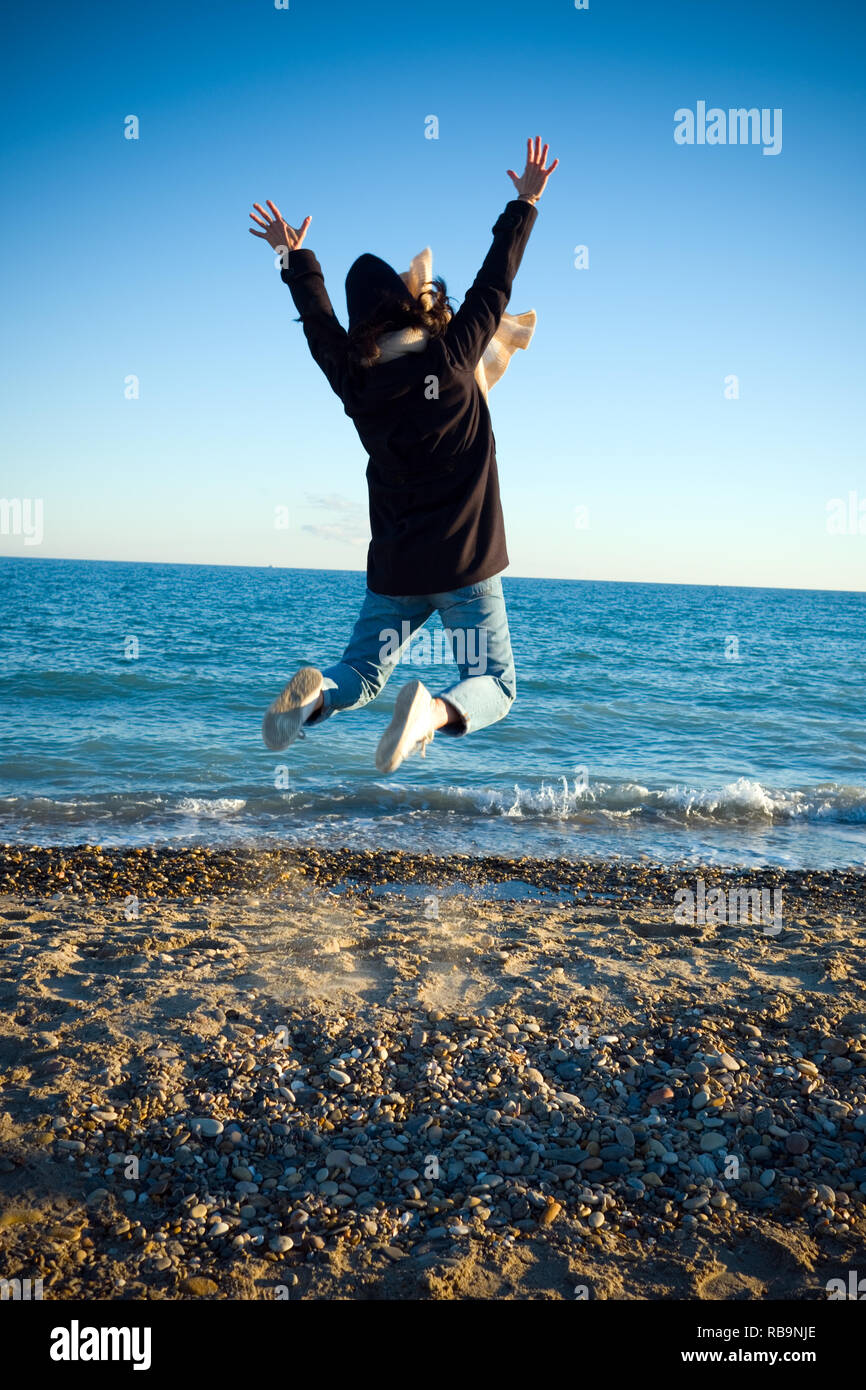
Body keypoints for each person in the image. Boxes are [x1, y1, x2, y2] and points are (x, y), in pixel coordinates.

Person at [249, 136, 558, 773]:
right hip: (466, 563)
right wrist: (524, 201)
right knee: (494, 684)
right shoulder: (452, 357)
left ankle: (313, 701)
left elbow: (319, 325)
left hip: (397, 567)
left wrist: (293, 255)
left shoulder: (356, 382)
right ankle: (431, 713)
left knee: (360, 675)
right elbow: (494, 281)